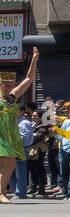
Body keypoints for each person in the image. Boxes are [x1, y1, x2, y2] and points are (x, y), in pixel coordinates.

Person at [0, 49, 38, 203]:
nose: (8, 87)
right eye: (5, 84)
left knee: (9, 162)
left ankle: (1, 192)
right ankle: (1, 192)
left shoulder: (13, 96)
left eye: (11, 84)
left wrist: (34, 60)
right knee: (8, 162)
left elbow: (29, 79)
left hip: (10, 135)